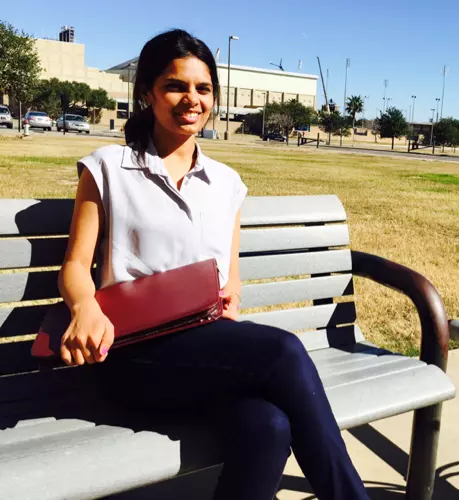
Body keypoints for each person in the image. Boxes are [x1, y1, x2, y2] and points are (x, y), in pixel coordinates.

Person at [58, 29, 370, 500]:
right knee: (284, 351)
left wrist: (232, 297)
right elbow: (76, 265)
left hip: (206, 354)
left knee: (268, 425)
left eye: (203, 89)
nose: (191, 99)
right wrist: (85, 307)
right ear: (147, 93)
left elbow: (231, 276)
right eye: (175, 86)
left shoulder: (227, 183)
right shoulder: (107, 167)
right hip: (131, 355)